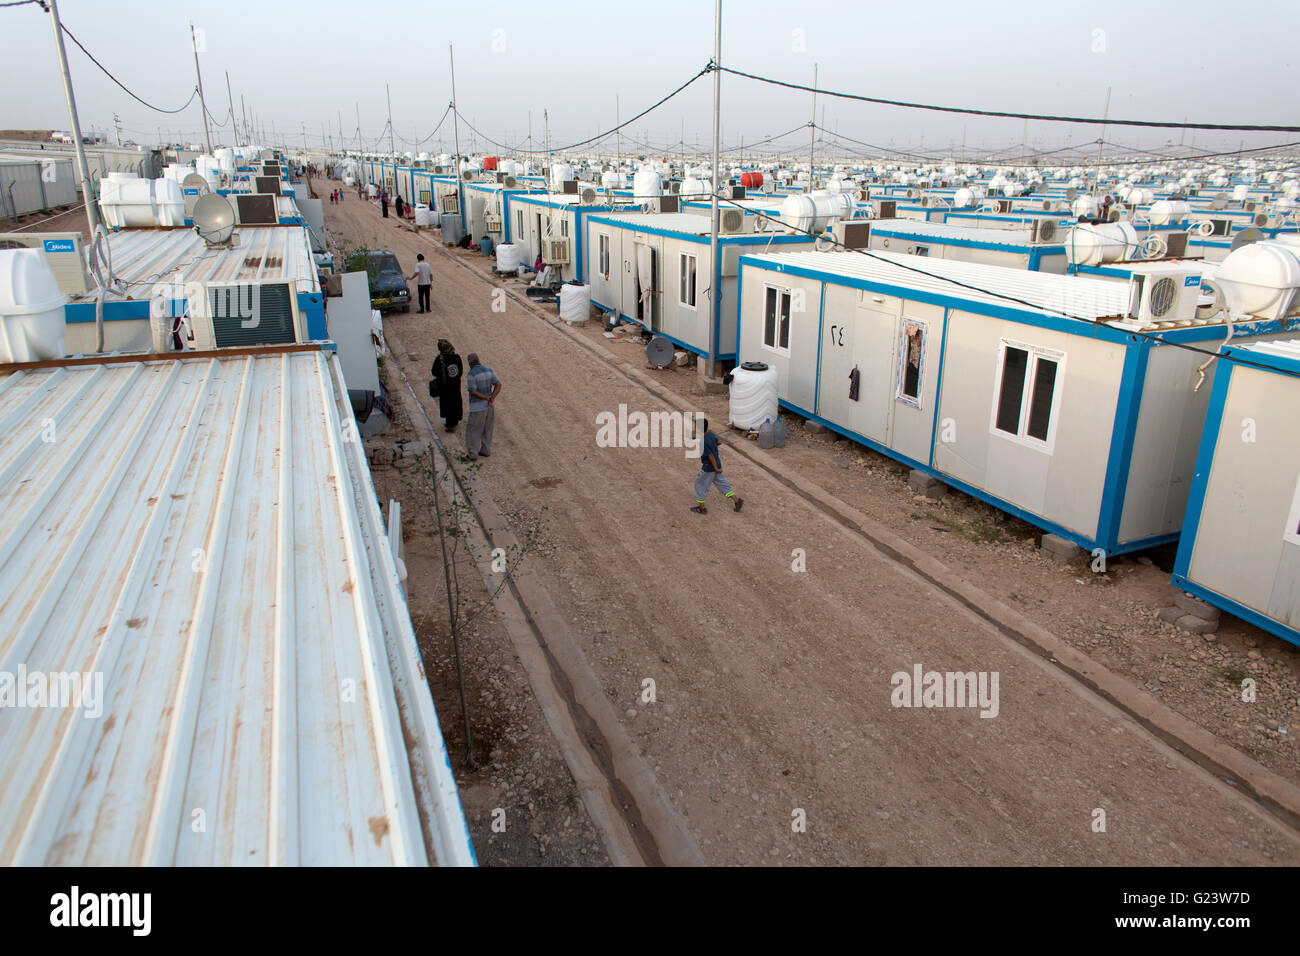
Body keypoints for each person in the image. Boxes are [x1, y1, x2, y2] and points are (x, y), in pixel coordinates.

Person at [690, 417, 743, 514]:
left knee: (700, 484)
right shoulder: (710, 434)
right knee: (722, 484)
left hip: (709, 468)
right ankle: (737, 500)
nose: (694, 428)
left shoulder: (703, 442)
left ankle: (701, 508)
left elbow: (710, 456)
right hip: (717, 465)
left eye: (695, 427)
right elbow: (718, 442)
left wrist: (715, 468)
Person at [463, 352, 501, 461]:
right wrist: (492, 397)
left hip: (477, 408)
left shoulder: (472, 374)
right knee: (487, 429)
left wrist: (485, 397)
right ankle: (486, 450)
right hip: (489, 406)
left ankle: (472, 454)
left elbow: (473, 391)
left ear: (470, 363)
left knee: (473, 431)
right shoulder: (488, 370)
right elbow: (498, 384)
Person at [429, 339, 464, 431]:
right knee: (455, 402)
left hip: (444, 387)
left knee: (447, 404)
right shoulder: (456, 357)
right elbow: (460, 372)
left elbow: (434, 372)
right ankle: (455, 421)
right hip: (455, 386)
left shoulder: (439, 359)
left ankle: (450, 424)